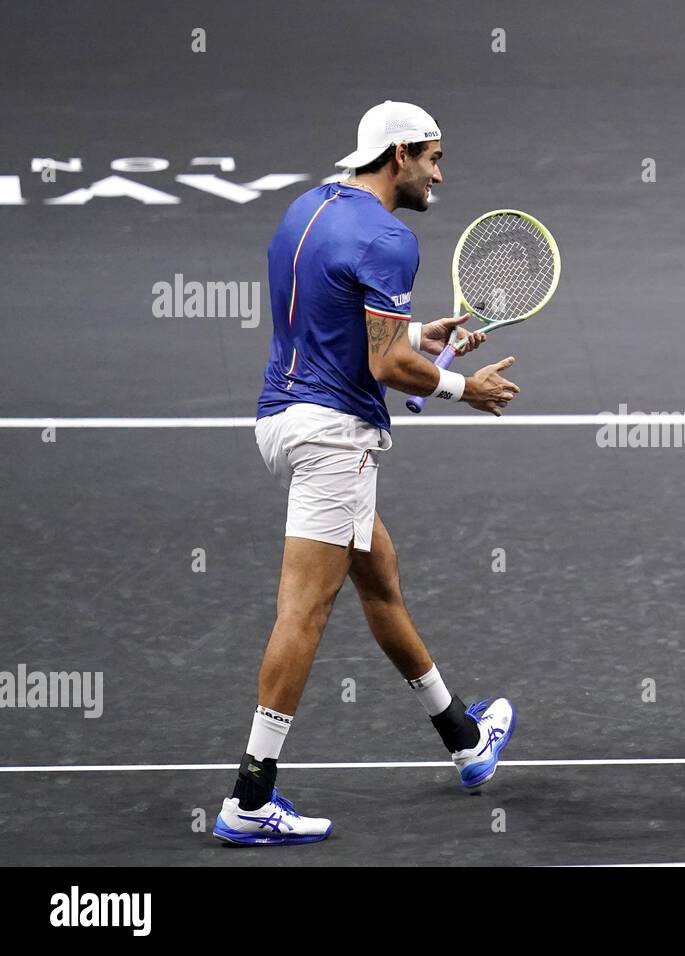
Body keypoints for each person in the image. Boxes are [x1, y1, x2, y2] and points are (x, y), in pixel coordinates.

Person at [215, 101, 521, 845]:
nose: (438, 176)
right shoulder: (390, 237)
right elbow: (388, 368)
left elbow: (338, 323)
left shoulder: (305, 209)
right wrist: (459, 386)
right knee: (304, 612)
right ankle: (249, 800)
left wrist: (422, 334)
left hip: (280, 418)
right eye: (433, 159)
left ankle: (463, 739)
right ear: (398, 155)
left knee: (379, 577)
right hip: (333, 438)